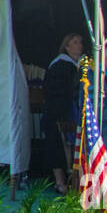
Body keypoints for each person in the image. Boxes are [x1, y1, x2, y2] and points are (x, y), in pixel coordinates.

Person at [42, 33, 82, 195]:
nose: (79, 45)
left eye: (80, 42)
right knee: (57, 145)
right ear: (67, 47)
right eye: (75, 42)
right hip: (56, 113)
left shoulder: (76, 65)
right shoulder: (60, 65)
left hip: (67, 113)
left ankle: (71, 181)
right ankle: (59, 182)